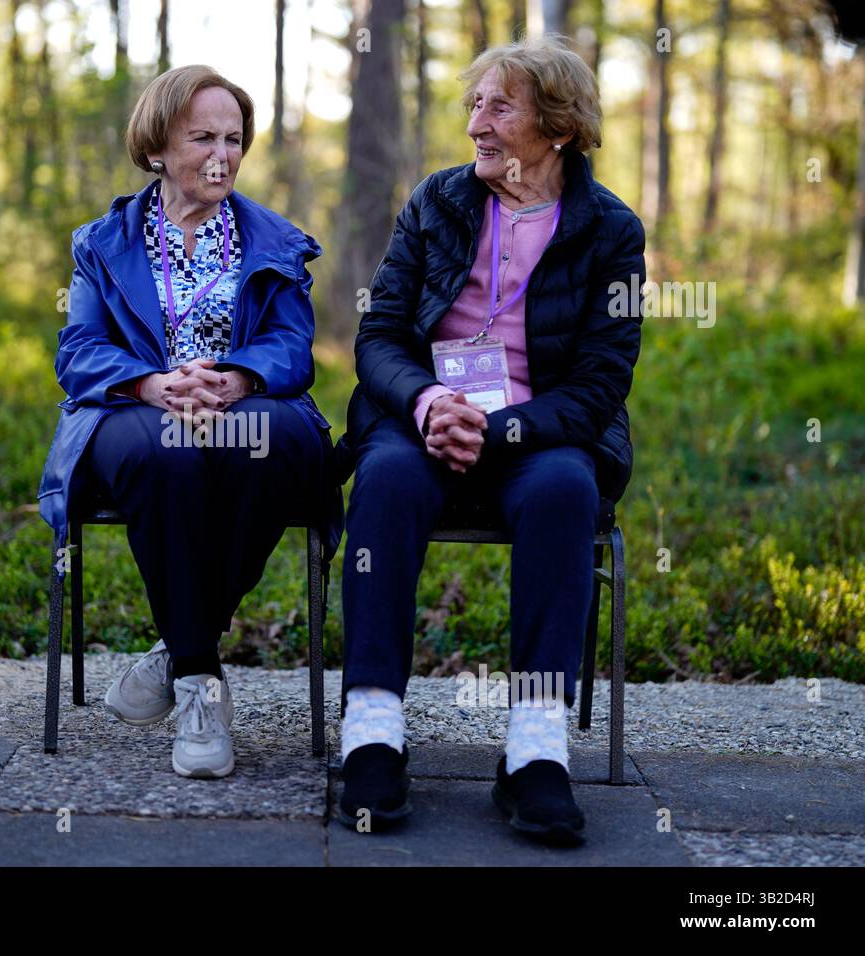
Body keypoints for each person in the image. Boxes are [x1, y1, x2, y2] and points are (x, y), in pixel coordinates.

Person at [334, 36, 645, 844]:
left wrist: (501, 427)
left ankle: (535, 747)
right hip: (422, 421)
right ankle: (373, 727)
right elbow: (378, 340)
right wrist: (433, 400)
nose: (477, 123)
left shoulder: (611, 231)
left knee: (565, 490)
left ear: (560, 126)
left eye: (499, 106)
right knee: (390, 482)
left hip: (539, 433)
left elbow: (600, 384)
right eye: (475, 104)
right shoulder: (438, 202)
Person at [37, 65, 343, 780]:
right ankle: (202, 678)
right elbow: (78, 353)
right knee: (165, 453)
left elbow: (294, 348)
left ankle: (178, 652)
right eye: (202, 137)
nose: (223, 155)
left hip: (245, 408)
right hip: (135, 411)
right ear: (156, 148)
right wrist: (152, 383)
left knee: (278, 443)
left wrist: (235, 378)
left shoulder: (276, 241)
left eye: (234, 139)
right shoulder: (102, 243)